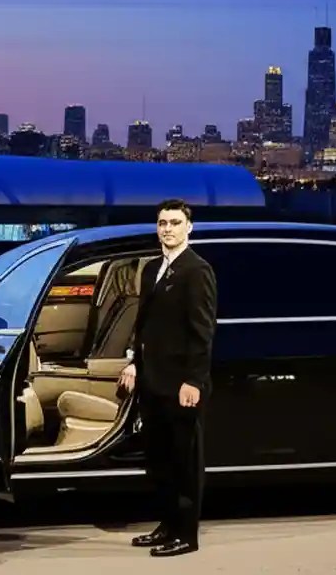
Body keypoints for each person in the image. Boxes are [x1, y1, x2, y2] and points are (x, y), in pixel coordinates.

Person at [118, 198, 217, 557]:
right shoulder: (151, 270)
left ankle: (186, 535)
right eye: (162, 223)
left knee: (185, 462)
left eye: (175, 222)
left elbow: (202, 332)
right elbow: (143, 323)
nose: (168, 229)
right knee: (160, 461)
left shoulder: (197, 270)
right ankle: (167, 525)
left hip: (181, 385)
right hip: (152, 381)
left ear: (189, 227)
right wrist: (132, 360)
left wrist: (193, 380)